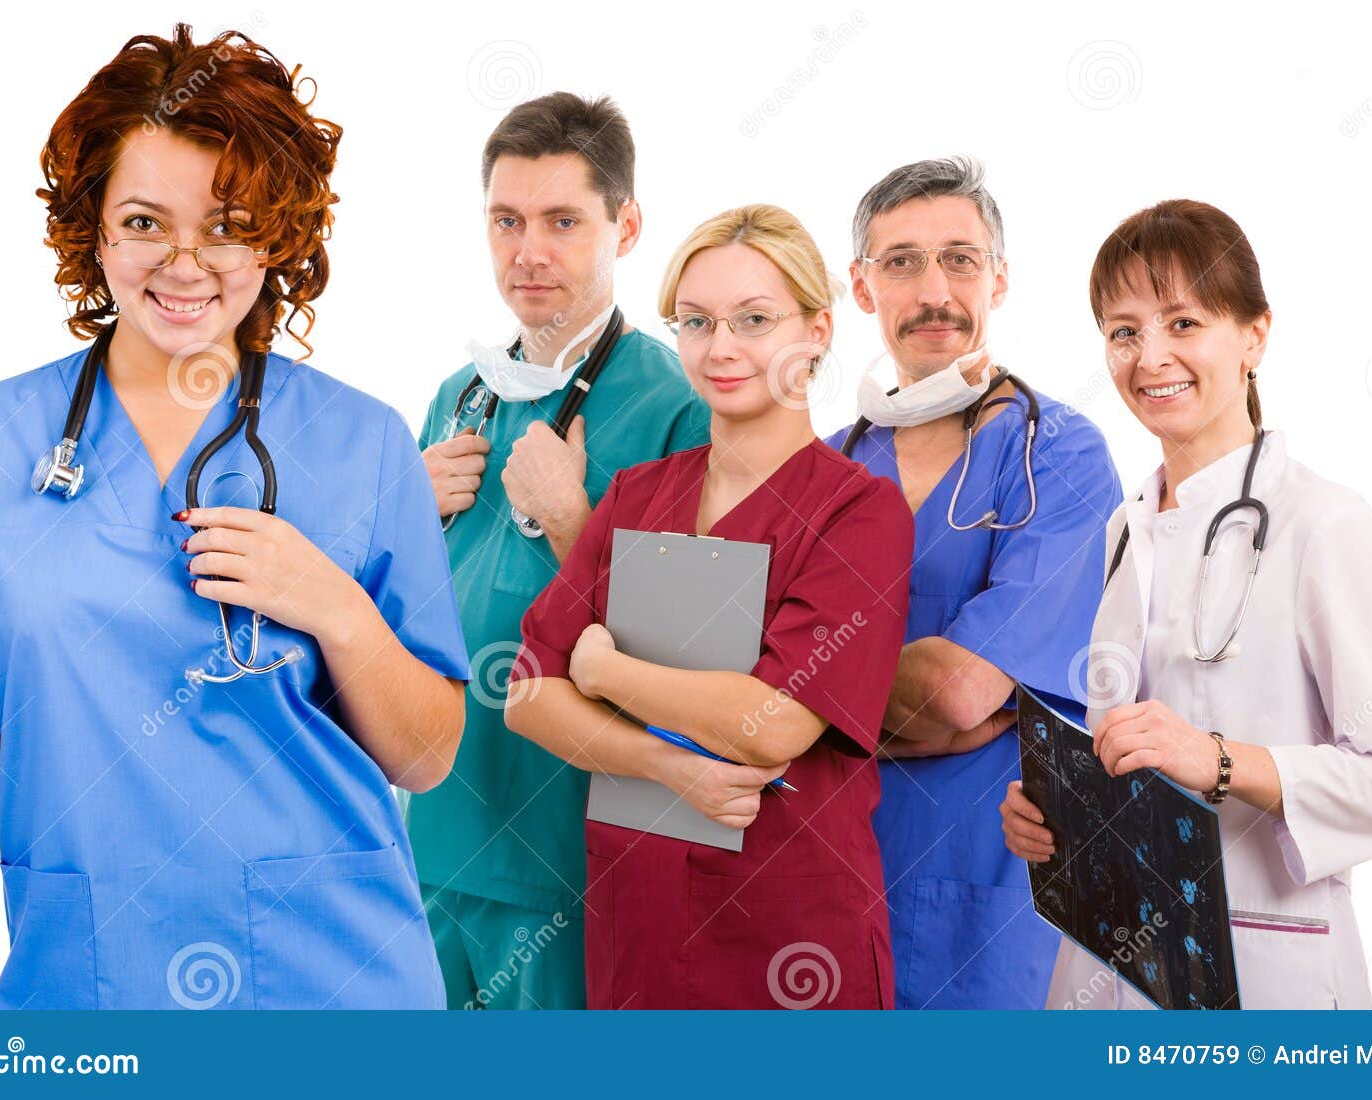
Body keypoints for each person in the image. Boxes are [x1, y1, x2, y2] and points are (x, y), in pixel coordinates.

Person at [0, 25, 468, 1009]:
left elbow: (427, 753)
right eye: (144, 221)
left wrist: (334, 607)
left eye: (227, 222)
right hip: (87, 977)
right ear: (91, 227)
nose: (185, 262)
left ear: (276, 235)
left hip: (335, 981)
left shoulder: (365, 443)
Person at [1001, 198, 1372, 1009]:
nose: (1149, 356)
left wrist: (1224, 760)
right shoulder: (1124, 530)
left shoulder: (1323, 523)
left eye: (1183, 322)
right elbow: (1132, 764)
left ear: (1255, 335)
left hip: (1265, 976)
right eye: (1124, 330)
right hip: (1107, 974)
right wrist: (1055, 821)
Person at [505, 204, 912, 1009]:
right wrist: (668, 766)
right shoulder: (636, 494)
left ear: (818, 330)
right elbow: (525, 696)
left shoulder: (859, 512)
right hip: (638, 922)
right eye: (695, 322)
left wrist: (604, 668)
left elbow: (775, 722)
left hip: (789, 934)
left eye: (754, 320)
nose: (720, 348)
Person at [409, 93, 710, 1010]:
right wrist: (399, 521)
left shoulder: (678, 402)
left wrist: (575, 517)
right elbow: (390, 618)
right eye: (506, 220)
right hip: (433, 827)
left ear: (626, 226)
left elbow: (697, 654)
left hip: (564, 850)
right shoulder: (460, 398)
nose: (527, 251)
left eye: (562, 222)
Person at [827, 157, 1122, 1009]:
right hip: (827, 867)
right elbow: (751, 680)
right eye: (901, 262)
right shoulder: (822, 471)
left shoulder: (1055, 456)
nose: (934, 291)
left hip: (984, 883)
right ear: (859, 286)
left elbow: (955, 692)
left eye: (960, 258)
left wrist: (826, 701)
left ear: (999, 278)